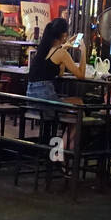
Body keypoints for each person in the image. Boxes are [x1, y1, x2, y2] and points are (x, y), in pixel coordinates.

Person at [26, 17, 86, 159]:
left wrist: (63, 47)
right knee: (79, 106)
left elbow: (58, 72)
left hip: (31, 100)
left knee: (72, 110)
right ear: (64, 35)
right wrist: (83, 51)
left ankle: (59, 150)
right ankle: (60, 152)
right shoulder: (60, 53)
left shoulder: (43, 50)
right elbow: (81, 75)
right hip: (46, 101)